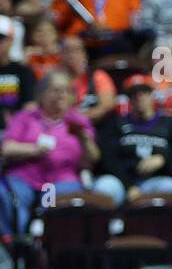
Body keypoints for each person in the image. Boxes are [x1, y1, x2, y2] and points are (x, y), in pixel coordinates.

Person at [0, 71, 99, 237]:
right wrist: (33, 149)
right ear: (41, 94)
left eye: (66, 90)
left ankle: (44, 247)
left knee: (50, 206)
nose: (61, 95)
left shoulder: (78, 122)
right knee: (9, 199)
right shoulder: (26, 117)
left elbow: (91, 160)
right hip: (24, 177)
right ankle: (16, 245)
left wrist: (83, 139)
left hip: (57, 181)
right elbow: (6, 148)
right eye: (55, 90)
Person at [91, 74, 172, 205]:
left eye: (144, 92)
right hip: (122, 181)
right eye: (134, 94)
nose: (139, 97)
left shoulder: (169, 123)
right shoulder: (116, 124)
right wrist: (129, 186)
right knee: (104, 187)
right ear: (129, 99)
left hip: (157, 179)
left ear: (152, 95)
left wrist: (163, 159)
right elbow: (109, 160)